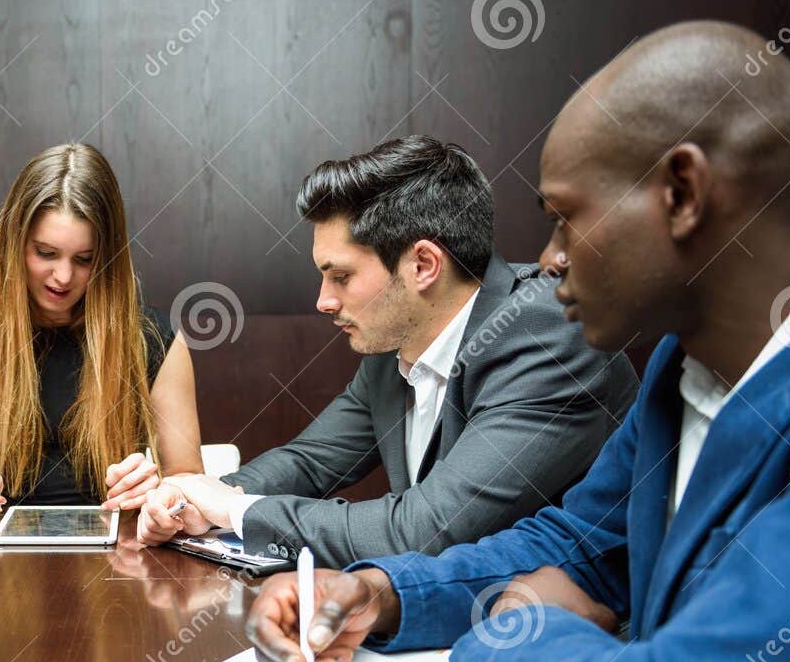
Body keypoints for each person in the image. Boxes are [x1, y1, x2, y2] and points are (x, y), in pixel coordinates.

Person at [245, 22, 790, 662]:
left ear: (682, 191)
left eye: (566, 219)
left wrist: (506, 634)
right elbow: (579, 549)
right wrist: (381, 596)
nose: (552, 260)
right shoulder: (682, 367)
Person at [137, 136, 639, 564]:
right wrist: (188, 499)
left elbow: (426, 531)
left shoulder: (548, 336)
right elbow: (310, 462)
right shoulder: (393, 348)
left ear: (423, 264)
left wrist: (233, 510)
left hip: (571, 637)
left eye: (342, 276)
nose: (324, 301)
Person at [0, 143, 202, 517]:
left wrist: (160, 490)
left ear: (107, 258)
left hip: (125, 556)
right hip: (10, 563)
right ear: (16, 243)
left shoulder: (157, 339)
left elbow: (188, 481)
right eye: (45, 253)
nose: (62, 277)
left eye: (84, 260)